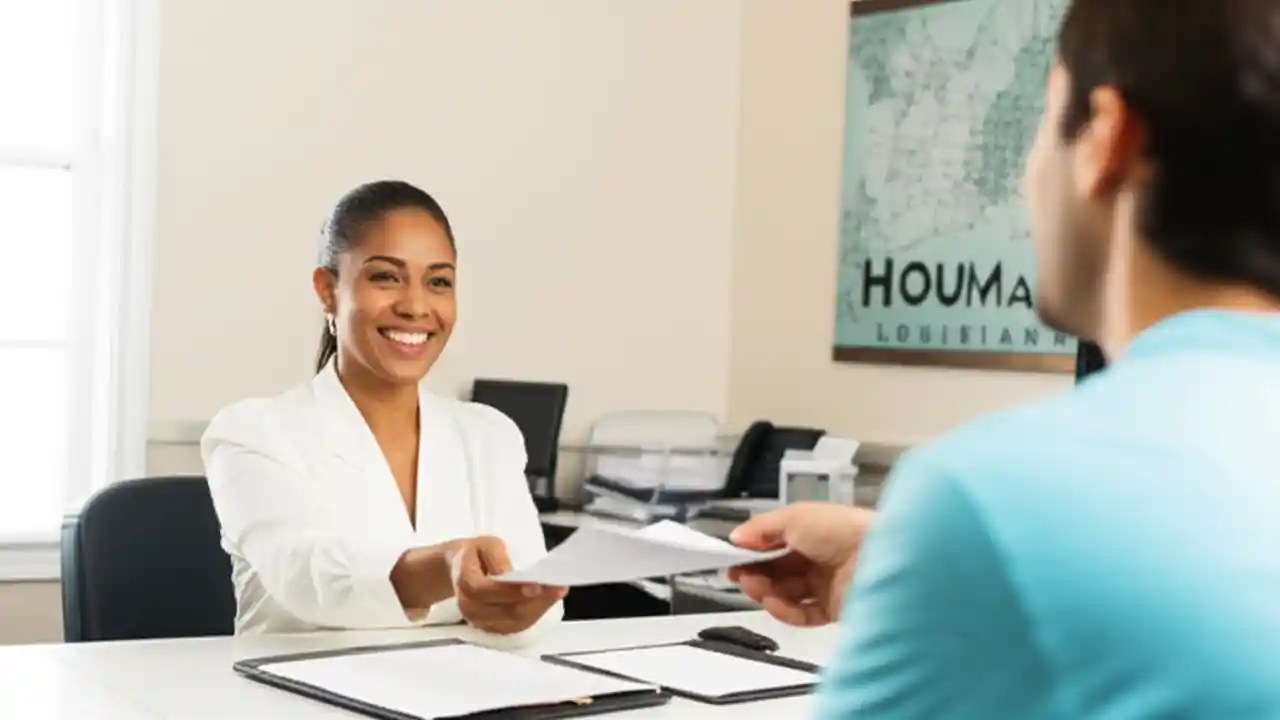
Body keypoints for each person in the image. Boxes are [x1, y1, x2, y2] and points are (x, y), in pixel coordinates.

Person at [731, 0, 1280, 716]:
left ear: (1107, 140)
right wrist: (915, 568)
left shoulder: (995, 493)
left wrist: (962, 546)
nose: (1028, 179)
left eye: (1043, 126)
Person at [202, 180, 565, 637]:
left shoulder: (490, 435)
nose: (415, 306)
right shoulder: (252, 432)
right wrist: (446, 567)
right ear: (328, 290)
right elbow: (306, 577)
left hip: (461, 697)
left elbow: (539, 601)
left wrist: (520, 610)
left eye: (438, 282)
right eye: (386, 277)